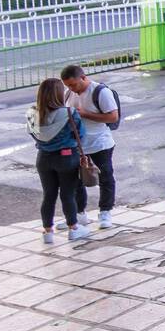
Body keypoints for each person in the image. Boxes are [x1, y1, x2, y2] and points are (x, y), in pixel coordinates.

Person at [26, 78, 94, 244]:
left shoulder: (31, 113)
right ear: (58, 93)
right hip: (66, 157)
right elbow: (81, 136)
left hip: (43, 158)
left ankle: (47, 232)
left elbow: (33, 135)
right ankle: (73, 229)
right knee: (68, 194)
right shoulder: (69, 113)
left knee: (48, 195)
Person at [60, 64, 118, 230]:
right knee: (75, 179)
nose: (71, 88)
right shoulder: (69, 93)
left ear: (83, 78)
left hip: (100, 142)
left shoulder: (100, 92)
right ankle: (79, 214)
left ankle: (106, 211)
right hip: (78, 145)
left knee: (105, 176)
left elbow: (113, 117)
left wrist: (84, 114)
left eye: (73, 84)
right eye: (68, 85)